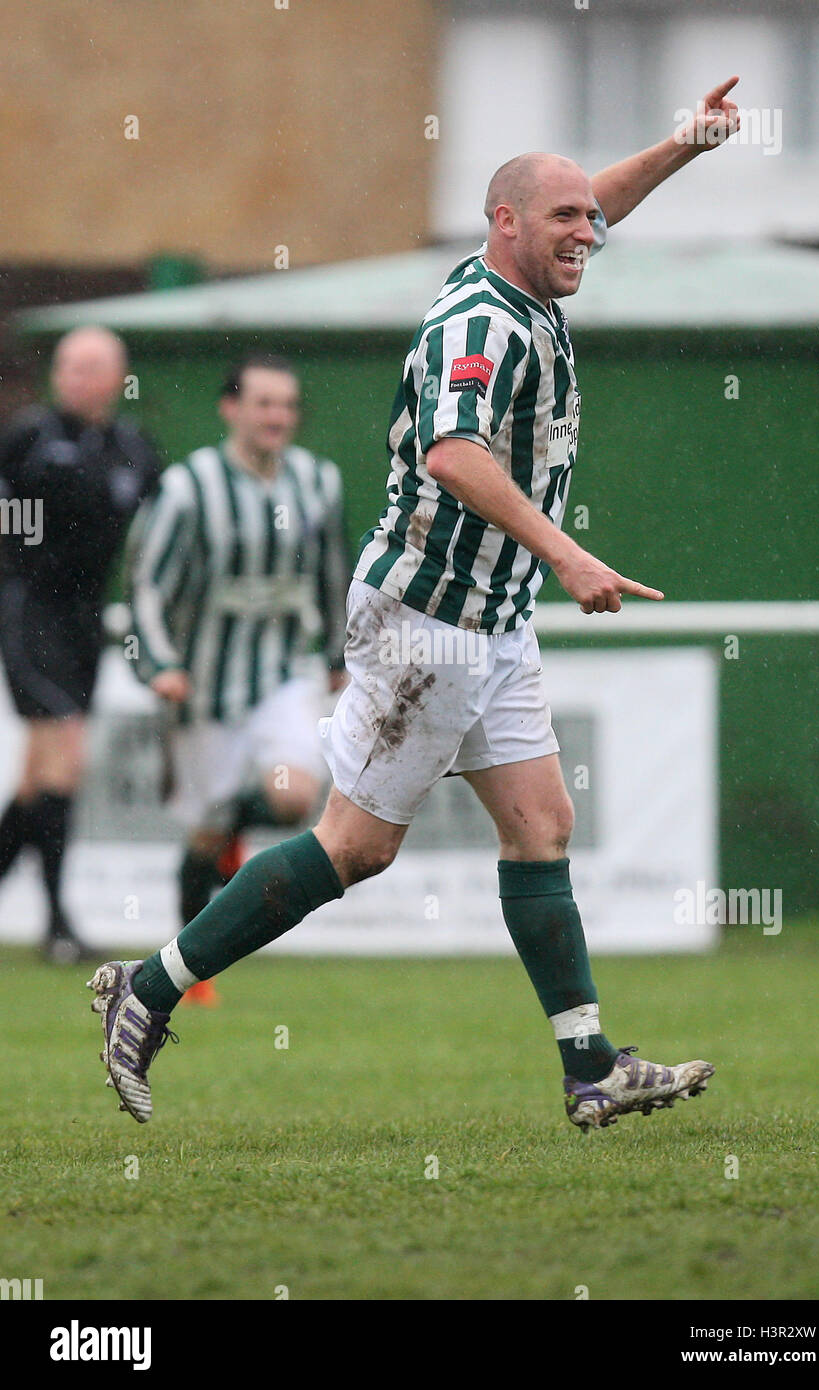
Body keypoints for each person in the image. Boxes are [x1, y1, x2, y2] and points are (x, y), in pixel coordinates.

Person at [89, 79, 741, 1128]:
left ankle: (588, 1068)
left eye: (589, 217)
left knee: (540, 824)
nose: (587, 232)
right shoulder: (478, 322)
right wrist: (568, 555)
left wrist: (682, 146)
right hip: (428, 619)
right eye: (566, 219)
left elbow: (588, 203)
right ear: (504, 224)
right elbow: (451, 454)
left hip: (491, 613)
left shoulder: (525, 271)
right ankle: (149, 986)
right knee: (354, 846)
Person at [126, 354, 350, 1004]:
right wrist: (159, 664)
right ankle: (187, 969)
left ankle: (232, 826)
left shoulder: (318, 481)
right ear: (231, 408)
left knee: (292, 799)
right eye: (263, 403)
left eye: (286, 404)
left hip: (283, 675)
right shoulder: (188, 485)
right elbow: (145, 584)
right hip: (204, 684)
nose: (277, 416)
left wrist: (337, 651)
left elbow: (333, 574)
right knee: (205, 826)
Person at [0, 326, 161, 963]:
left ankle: (52, 919)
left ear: (117, 376)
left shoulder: (133, 449)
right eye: (66, 364)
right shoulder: (29, 437)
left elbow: (164, 528)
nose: (74, 376)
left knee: (42, 779)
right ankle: (59, 925)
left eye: (90, 366)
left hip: (84, 620)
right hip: (25, 608)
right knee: (65, 748)